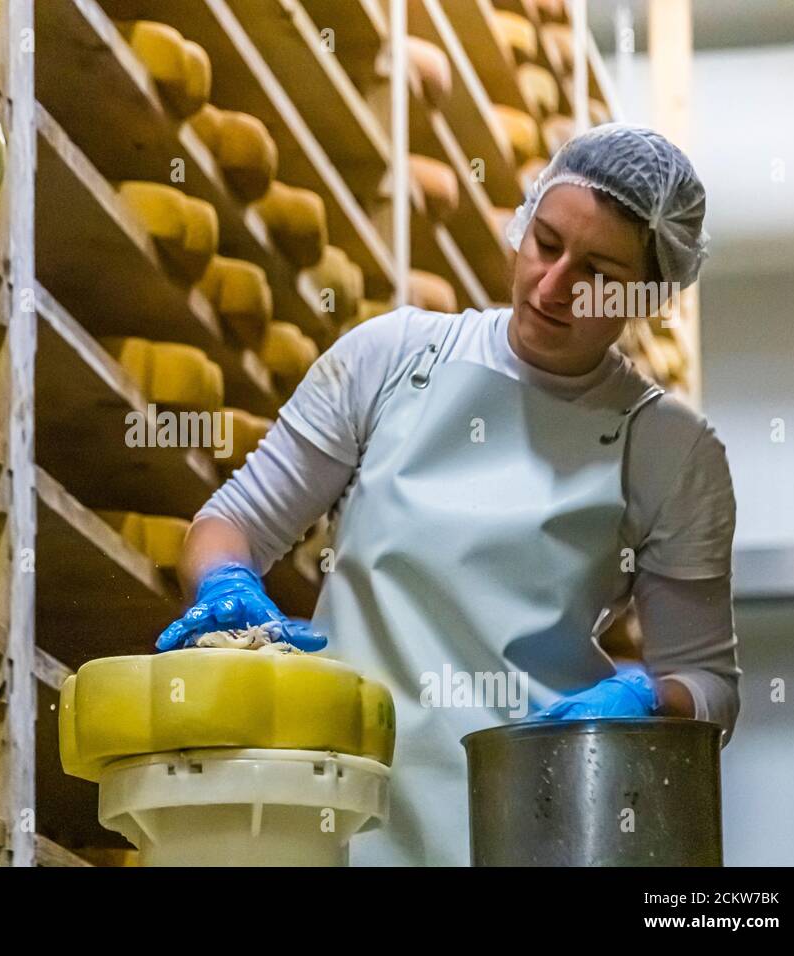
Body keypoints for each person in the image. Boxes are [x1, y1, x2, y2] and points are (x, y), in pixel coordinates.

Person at [157, 124, 741, 866]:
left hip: (532, 823)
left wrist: (646, 699)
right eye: (546, 242)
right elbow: (231, 521)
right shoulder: (393, 357)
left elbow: (710, 687)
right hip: (335, 809)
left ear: (650, 292)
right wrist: (226, 582)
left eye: (596, 271)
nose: (552, 285)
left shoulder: (671, 450)